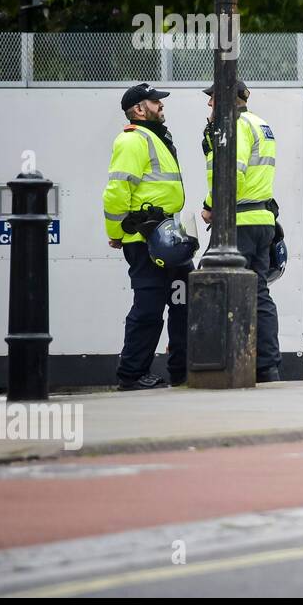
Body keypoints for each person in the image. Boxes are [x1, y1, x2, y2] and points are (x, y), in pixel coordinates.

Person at [102, 83, 190, 390]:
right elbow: (116, 191)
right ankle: (132, 373)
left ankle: (181, 368)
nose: (160, 105)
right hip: (146, 241)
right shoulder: (132, 140)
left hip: (168, 237)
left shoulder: (156, 137)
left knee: (184, 300)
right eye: (155, 102)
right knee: (149, 306)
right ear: (139, 109)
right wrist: (117, 233)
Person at [201, 79, 281, 383]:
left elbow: (231, 172)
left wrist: (210, 205)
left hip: (238, 222)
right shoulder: (260, 124)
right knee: (259, 293)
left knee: (212, 287)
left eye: (212, 99)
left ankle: (217, 363)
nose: (210, 105)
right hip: (262, 220)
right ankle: (268, 366)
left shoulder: (236, 126)